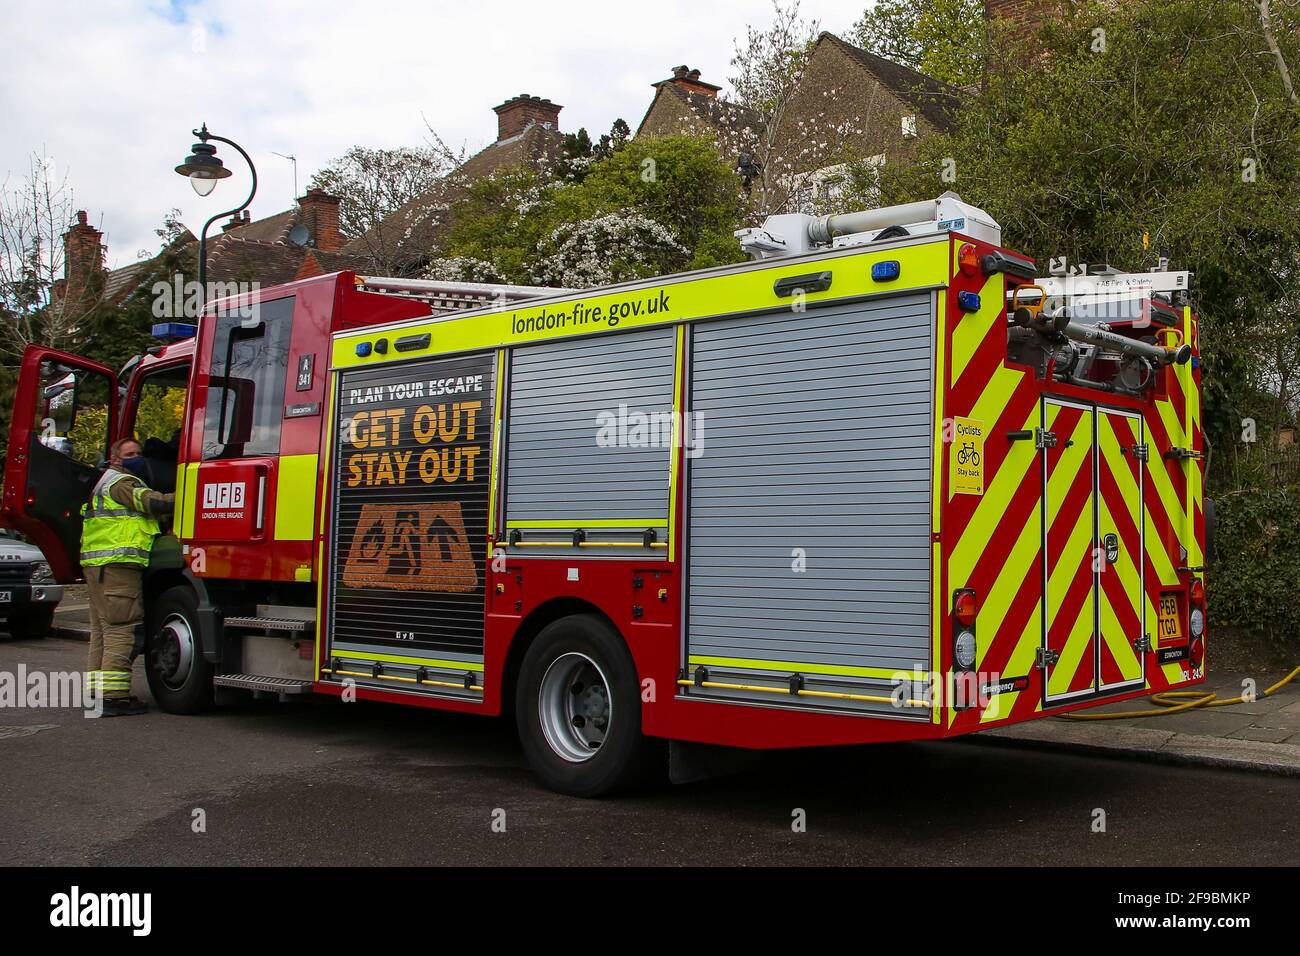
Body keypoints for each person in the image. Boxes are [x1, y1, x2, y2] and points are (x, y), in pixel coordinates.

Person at [81, 437, 175, 717]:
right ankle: (114, 698)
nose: (136, 458)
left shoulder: (106, 482)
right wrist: (191, 492)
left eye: (139, 453)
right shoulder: (120, 482)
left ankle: (97, 694)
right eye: (129, 454)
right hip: (117, 565)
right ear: (115, 459)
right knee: (123, 629)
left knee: (103, 632)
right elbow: (151, 503)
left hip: (100, 566)